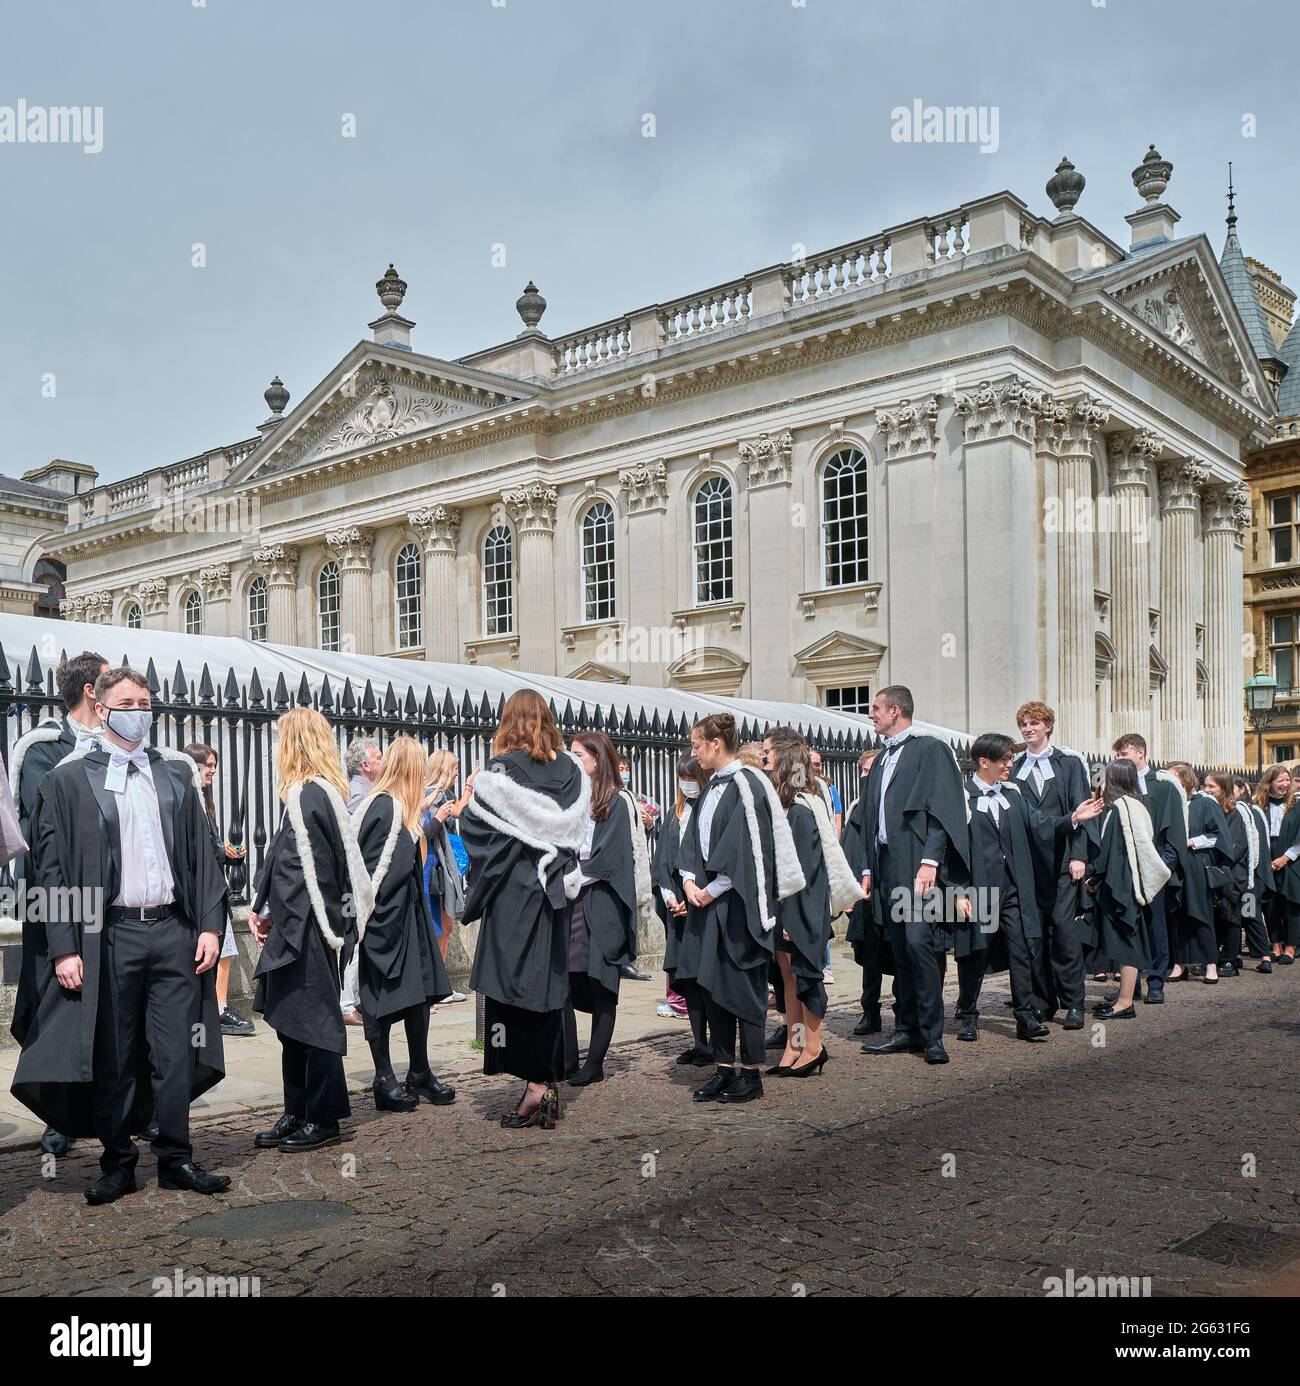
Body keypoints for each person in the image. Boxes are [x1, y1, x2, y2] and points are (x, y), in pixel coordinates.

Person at [12, 666, 230, 1204]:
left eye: (146, 701)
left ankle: (177, 1156)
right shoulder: (67, 779)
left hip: (173, 932)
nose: (140, 710)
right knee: (112, 1052)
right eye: (128, 702)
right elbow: (51, 868)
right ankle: (118, 1161)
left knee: (176, 1050)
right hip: (110, 936)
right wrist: (63, 946)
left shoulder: (174, 775)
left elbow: (202, 857)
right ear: (103, 708)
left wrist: (209, 924)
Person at [461, 690, 589, 1130]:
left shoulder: (500, 772)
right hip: (555, 893)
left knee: (514, 989)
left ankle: (536, 1086)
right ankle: (547, 1077)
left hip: (515, 893)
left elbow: (476, 829)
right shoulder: (572, 772)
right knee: (548, 986)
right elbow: (573, 833)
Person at [250, 708, 375, 1153]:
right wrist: (263, 906)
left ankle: (322, 1117)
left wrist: (276, 916)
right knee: (292, 1024)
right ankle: (297, 1109)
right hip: (300, 925)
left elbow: (310, 872)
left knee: (314, 1023)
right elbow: (287, 859)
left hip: (306, 929)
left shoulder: (310, 796)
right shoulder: (310, 794)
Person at [9, 650, 107, 1157]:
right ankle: (57, 1115)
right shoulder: (44, 748)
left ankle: (110, 1106)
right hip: (62, 902)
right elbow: (39, 828)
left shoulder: (125, 747)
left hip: (109, 903)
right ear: (92, 690)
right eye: (112, 681)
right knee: (55, 1009)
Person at [676, 712, 803, 1104]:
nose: (694, 753)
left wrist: (711, 889)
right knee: (713, 987)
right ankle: (724, 1067)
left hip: (738, 904)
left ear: (716, 744)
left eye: (697, 745)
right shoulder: (711, 785)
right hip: (707, 902)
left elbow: (751, 850)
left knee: (742, 987)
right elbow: (693, 841)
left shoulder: (748, 785)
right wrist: (688, 880)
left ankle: (751, 1073)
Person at [954, 733, 1102, 1042]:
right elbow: (950, 850)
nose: (1010, 765)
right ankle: (968, 1015)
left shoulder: (1013, 795)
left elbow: (1041, 825)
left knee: (1022, 951)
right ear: (984, 762)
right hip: (980, 891)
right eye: (1004, 760)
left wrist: (1073, 817)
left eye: (1010, 758)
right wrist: (958, 890)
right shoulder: (962, 797)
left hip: (1014, 890)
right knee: (975, 955)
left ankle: (1025, 1016)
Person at [856, 686, 970, 1065]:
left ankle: (932, 1035)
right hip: (886, 863)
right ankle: (905, 1029)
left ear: (895, 710)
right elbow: (871, 818)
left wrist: (930, 862)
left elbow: (942, 810)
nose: (871, 715)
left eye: (876, 709)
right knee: (898, 947)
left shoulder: (930, 749)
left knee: (921, 945)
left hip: (916, 863)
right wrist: (869, 867)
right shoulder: (884, 758)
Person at [355, 737, 456, 1112]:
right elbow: (371, 867)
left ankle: (420, 1069)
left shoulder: (400, 807)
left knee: (419, 995)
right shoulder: (381, 806)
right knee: (380, 999)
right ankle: (383, 1077)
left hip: (409, 915)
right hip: (385, 919)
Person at [764, 729, 863, 1077]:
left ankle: (814, 1046)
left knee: (807, 981)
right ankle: (794, 1044)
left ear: (784, 763)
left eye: (769, 755)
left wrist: (791, 921)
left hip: (801, 912)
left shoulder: (802, 812)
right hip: (785, 910)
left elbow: (802, 873)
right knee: (789, 984)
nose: (765, 761)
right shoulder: (787, 807)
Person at [563, 731, 650, 1085]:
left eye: (578, 755)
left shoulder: (616, 802)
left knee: (601, 984)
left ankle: (594, 1062)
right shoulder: (572, 798)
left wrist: (570, 879)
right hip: (573, 900)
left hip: (601, 901)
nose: (572, 760)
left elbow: (609, 858)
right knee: (564, 982)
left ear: (596, 760)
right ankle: (567, 1057)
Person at [1011, 702, 1093, 1028]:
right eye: (1024, 724)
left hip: (1061, 860)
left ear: (1048, 726)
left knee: (1064, 932)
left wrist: (1079, 854)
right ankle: (1043, 1001)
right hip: (1028, 864)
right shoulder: (1016, 768)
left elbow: (1081, 810)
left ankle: (1075, 1003)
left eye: (1034, 723)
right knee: (1034, 935)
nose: (1028, 729)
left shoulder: (1069, 764)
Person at [1079, 759, 1171, 1019]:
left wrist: (1093, 877)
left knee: (1127, 943)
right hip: (1130, 885)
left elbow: (1110, 851)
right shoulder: (1138, 805)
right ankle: (1123, 998)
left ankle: (1125, 1002)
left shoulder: (1120, 808)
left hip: (1120, 887)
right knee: (1128, 942)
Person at [184, 742, 253, 1037]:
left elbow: (209, 847)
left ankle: (218, 1008)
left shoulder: (204, 799)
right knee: (218, 951)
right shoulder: (190, 798)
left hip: (215, 886)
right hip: (204, 891)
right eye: (208, 765)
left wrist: (227, 853)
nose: (212, 770)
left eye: (214, 765)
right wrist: (219, 853)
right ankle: (216, 1010)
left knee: (224, 951)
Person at [1112, 734, 1187, 1002]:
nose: (1120, 761)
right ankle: (1131, 986)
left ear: (1140, 752)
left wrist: (1161, 869)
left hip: (1155, 870)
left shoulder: (1164, 786)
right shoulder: (1118, 787)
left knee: (1156, 928)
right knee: (1129, 928)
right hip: (1127, 871)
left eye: (1124, 755)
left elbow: (1174, 833)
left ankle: (1156, 982)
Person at [655, 753, 712, 1059]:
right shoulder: (675, 814)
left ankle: (717, 1040)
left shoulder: (709, 809)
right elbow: (663, 859)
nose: (685, 784)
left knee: (706, 978)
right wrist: (669, 896)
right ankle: (699, 1041)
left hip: (704, 902)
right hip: (677, 903)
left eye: (690, 777)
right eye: (682, 778)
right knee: (686, 977)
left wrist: (695, 898)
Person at [842, 748, 892, 1037]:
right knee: (870, 955)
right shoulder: (858, 806)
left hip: (890, 886)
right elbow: (851, 846)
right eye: (862, 771)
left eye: (869, 770)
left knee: (897, 952)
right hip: (865, 892)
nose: (865, 776)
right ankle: (870, 1011)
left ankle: (902, 1009)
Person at [1163, 763, 1225, 985]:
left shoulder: (1205, 803)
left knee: (1200, 913)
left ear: (1184, 779)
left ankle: (1210, 964)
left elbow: (1218, 836)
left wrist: (1190, 842)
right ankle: (1179, 964)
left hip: (1197, 862)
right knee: (1177, 914)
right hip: (1175, 864)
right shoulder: (1171, 802)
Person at [339, 737, 384, 1025]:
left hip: (362, 878)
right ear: (366, 765)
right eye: (378, 755)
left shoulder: (367, 790)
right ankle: (345, 1004)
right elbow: (353, 836)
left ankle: (352, 998)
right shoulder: (358, 793)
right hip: (358, 879)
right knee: (353, 941)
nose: (383, 758)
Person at [420, 749, 469, 999]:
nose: (457, 771)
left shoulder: (445, 794)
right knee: (439, 926)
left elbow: (459, 811)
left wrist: (469, 788)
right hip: (435, 869)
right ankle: (436, 986)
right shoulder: (430, 796)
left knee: (446, 926)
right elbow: (425, 833)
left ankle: (441, 984)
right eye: (453, 767)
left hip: (445, 867)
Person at [1201, 772, 1249, 979]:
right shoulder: (1205, 808)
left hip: (1231, 873)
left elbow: (1236, 846)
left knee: (1230, 917)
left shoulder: (1234, 813)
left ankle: (1229, 958)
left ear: (1224, 788)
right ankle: (1213, 956)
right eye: (1205, 786)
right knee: (1213, 917)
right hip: (1211, 871)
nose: (1207, 790)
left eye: (1212, 786)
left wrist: (1217, 856)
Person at [1234, 776, 1275, 974]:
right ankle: (1262, 956)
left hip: (1251, 875)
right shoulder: (1254, 810)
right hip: (1253, 873)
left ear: (1243, 789)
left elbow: (1252, 848)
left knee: (1250, 914)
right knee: (1249, 914)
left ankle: (1265, 956)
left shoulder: (1248, 811)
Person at [1264, 765, 1300, 965]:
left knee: (1292, 902)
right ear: (1270, 783)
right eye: (1281, 780)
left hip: (1292, 855)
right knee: (1270, 902)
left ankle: (1291, 946)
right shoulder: (1260, 803)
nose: (1285, 784)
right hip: (1267, 853)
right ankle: (1276, 943)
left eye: (1288, 780)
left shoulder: (1296, 803)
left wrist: (1285, 858)